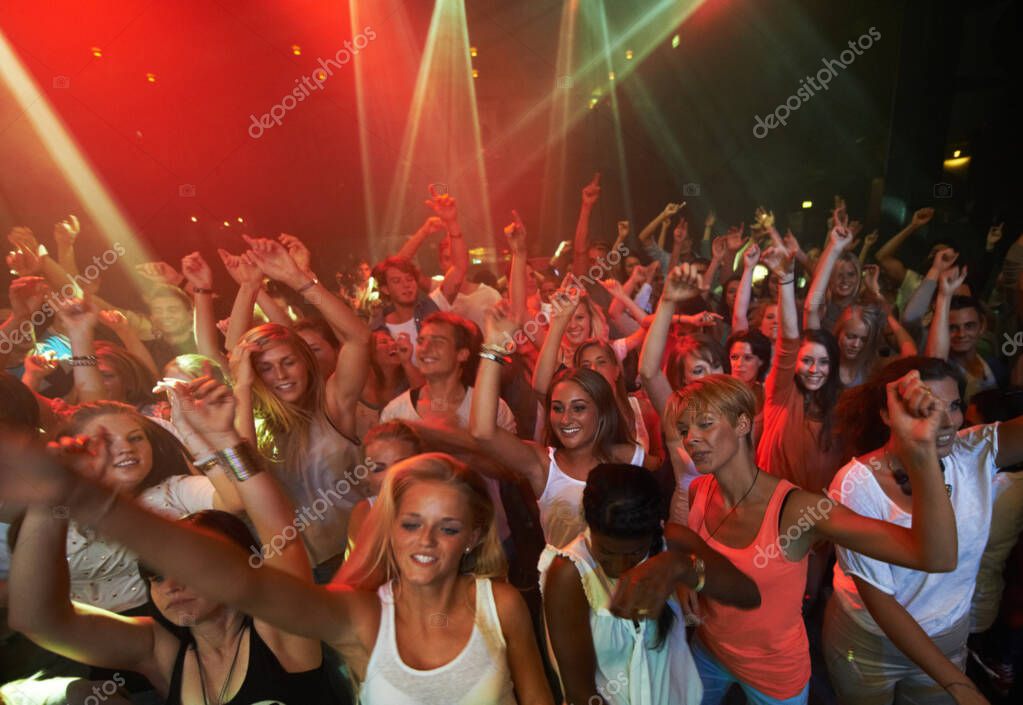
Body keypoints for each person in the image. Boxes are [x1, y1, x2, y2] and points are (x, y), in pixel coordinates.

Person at [0, 446, 555, 705]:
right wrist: (63, 500)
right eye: (411, 523)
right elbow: (36, 619)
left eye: (447, 528)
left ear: (475, 536)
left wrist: (85, 498)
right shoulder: (360, 614)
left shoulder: (500, 604)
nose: (427, 542)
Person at [8, 376, 353, 704]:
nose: (171, 584)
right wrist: (54, 498)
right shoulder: (162, 652)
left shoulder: (281, 632)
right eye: (155, 576)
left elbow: (282, 536)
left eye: (184, 568)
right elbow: (37, 621)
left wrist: (224, 437)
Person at [642, 372, 957, 705]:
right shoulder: (699, 491)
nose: (691, 439)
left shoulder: (798, 511)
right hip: (708, 650)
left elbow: (935, 556)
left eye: (705, 424)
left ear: (742, 424)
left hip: (774, 676)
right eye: (684, 430)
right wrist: (687, 577)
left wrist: (921, 453)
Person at [825, 357, 1023, 705]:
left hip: (947, 637)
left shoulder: (972, 450)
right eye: (928, 408)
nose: (945, 422)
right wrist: (960, 686)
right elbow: (882, 601)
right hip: (869, 644)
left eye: (955, 406)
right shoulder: (855, 484)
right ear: (889, 415)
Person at [540, 463, 761, 705]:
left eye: (634, 553)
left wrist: (682, 567)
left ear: (654, 532)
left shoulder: (672, 544)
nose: (620, 566)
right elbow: (581, 694)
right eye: (606, 551)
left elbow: (748, 594)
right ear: (590, 526)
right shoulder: (570, 574)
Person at [230, 234, 370, 580]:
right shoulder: (253, 422)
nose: (280, 375)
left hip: (356, 560)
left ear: (305, 362)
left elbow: (359, 338)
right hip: (293, 573)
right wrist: (248, 287)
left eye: (289, 362)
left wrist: (298, 280)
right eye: (265, 367)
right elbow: (244, 467)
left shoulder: (334, 404)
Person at [472, 304, 653, 548]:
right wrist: (494, 346)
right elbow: (483, 432)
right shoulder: (544, 466)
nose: (565, 419)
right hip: (563, 586)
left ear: (600, 411)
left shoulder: (631, 457)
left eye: (578, 408)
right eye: (557, 408)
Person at [346, 421, 425, 555]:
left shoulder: (436, 508)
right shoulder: (364, 512)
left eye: (401, 466)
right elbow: (355, 571)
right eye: (378, 469)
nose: (390, 476)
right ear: (367, 475)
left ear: (422, 466)